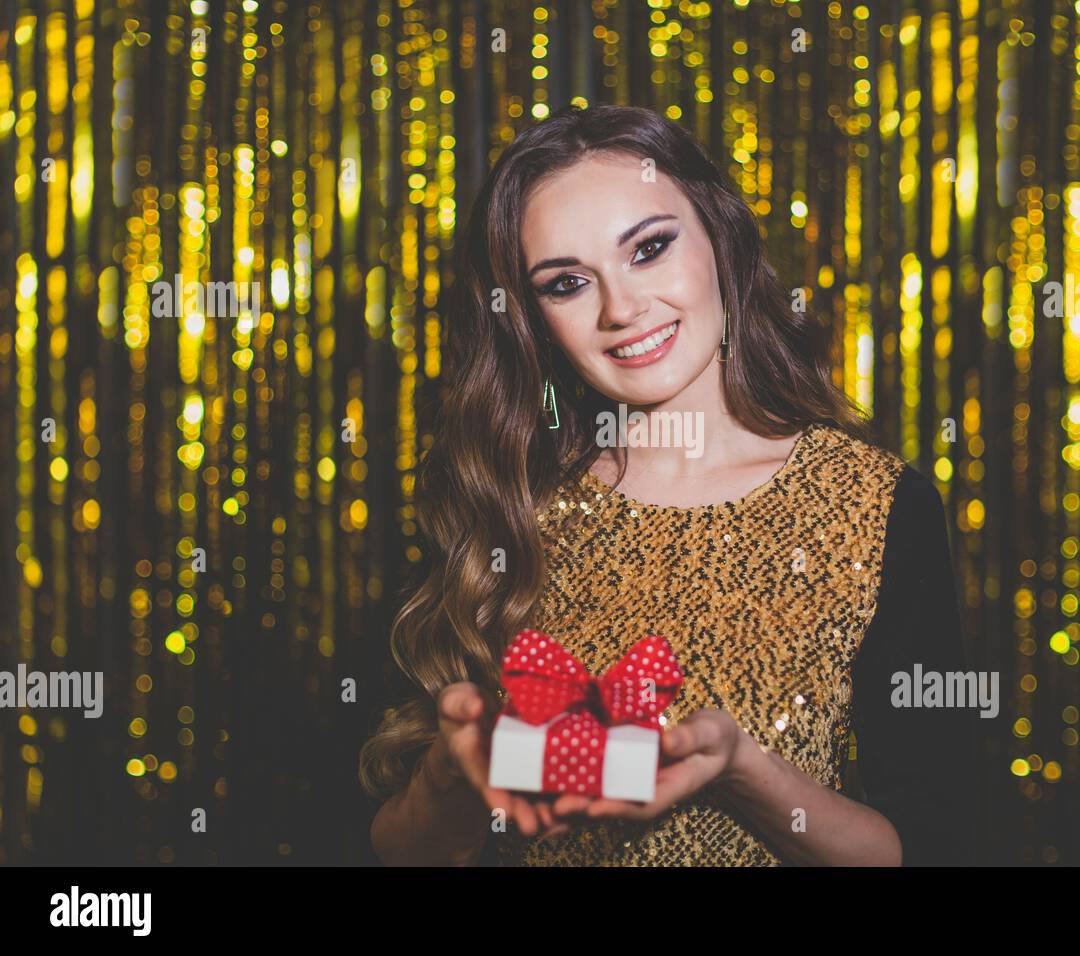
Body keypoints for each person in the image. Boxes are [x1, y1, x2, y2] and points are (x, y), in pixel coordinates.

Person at [361, 104, 977, 866]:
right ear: (532, 319)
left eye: (649, 248)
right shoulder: (505, 500)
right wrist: (449, 779)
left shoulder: (879, 505)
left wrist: (742, 770)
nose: (622, 309)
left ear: (719, 236)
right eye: (566, 283)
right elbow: (400, 851)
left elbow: (925, 848)